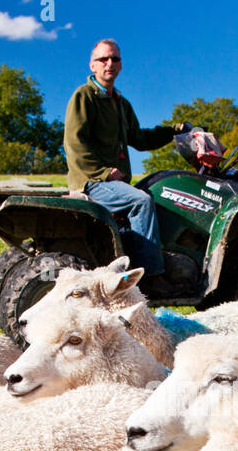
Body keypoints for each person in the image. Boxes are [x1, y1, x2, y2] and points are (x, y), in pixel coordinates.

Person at [63, 38, 190, 293]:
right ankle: (150, 277)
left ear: (121, 66)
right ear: (93, 65)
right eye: (103, 59)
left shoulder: (120, 103)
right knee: (141, 201)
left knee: (159, 193)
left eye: (115, 59)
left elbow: (139, 138)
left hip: (113, 182)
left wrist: (175, 131)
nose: (109, 63)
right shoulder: (84, 97)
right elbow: (74, 142)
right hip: (93, 181)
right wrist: (104, 172)